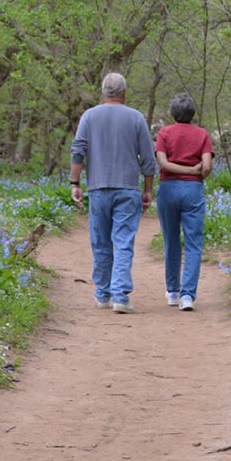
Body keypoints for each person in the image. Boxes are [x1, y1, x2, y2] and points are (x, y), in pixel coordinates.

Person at [70, 73, 158, 313]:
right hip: (128, 188)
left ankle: (102, 293)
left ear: (103, 92)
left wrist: (74, 183)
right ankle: (120, 296)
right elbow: (148, 158)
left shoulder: (89, 116)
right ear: (124, 93)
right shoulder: (136, 118)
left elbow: (78, 151)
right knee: (123, 242)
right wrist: (148, 189)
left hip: (98, 187)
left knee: (100, 242)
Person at [154, 93, 213, 312]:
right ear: (192, 113)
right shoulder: (202, 134)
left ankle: (172, 292)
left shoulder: (164, 133)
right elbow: (206, 167)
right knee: (194, 243)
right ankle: (188, 296)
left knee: (171, 240)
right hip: (193, 190)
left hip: (168, 189)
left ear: (173, 113)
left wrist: (179, 170)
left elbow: (162, 162)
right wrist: (193, 173)